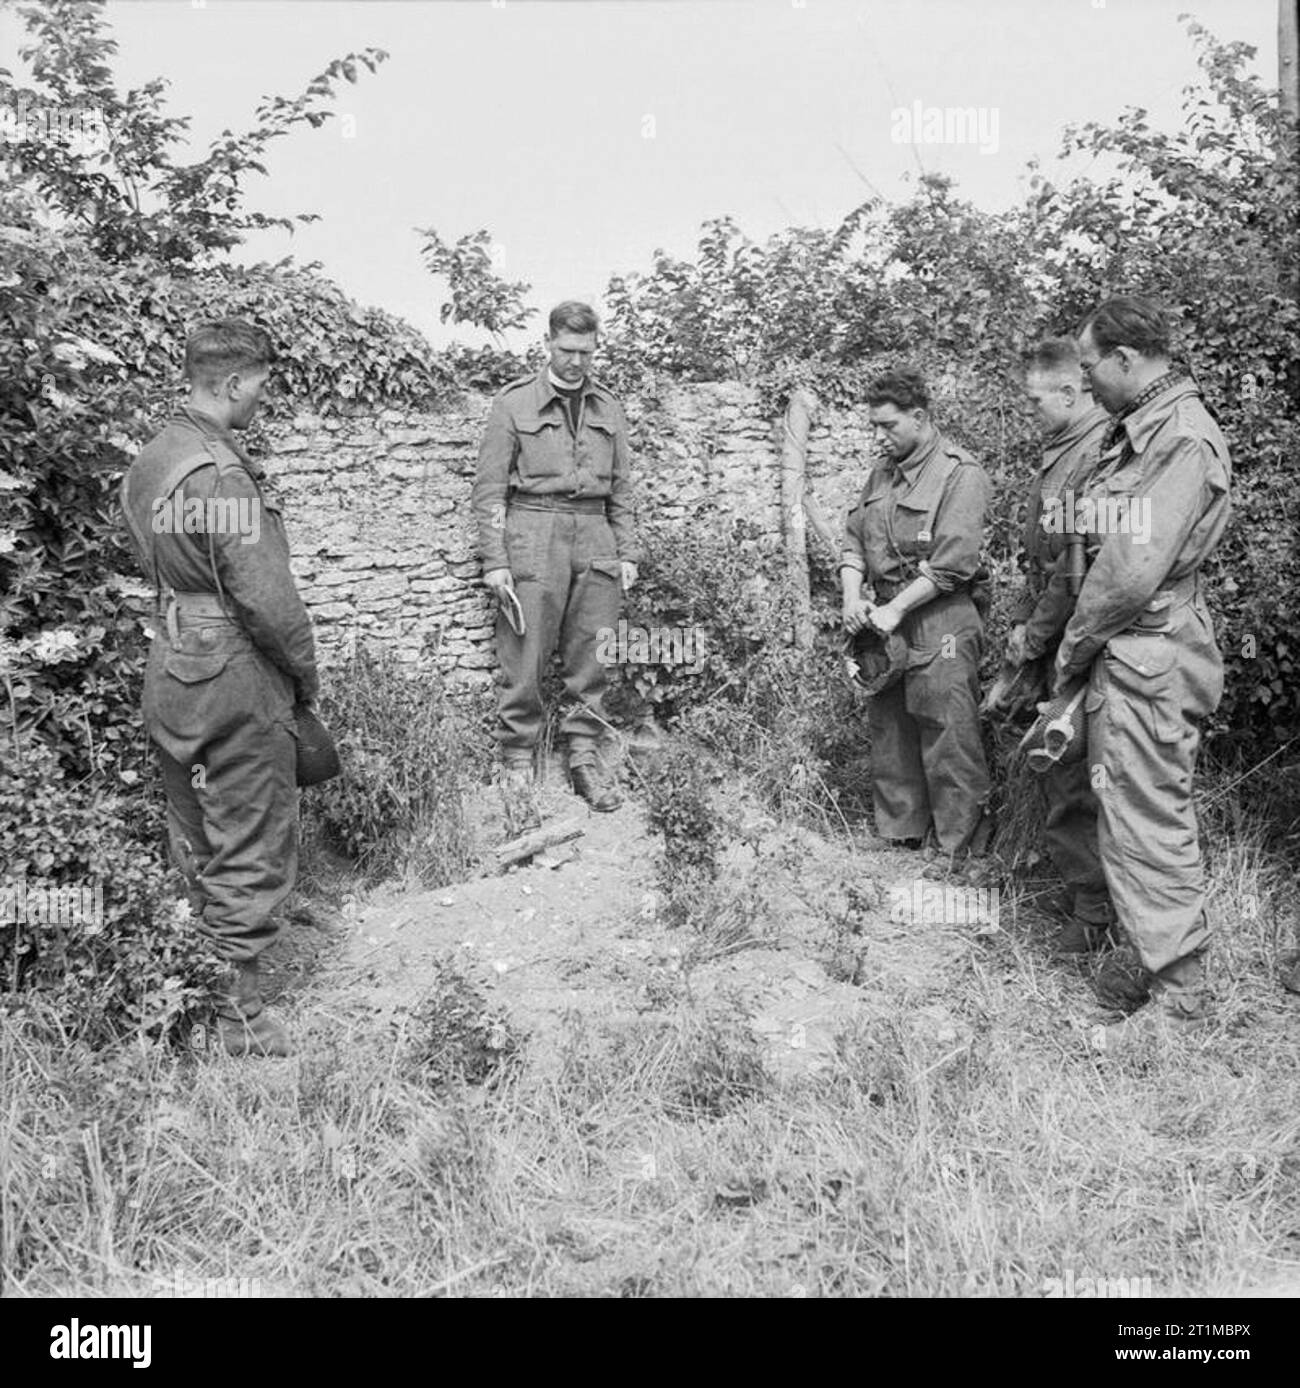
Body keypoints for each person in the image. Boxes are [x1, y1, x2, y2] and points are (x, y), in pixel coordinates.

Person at [119, 320, 319, 1058]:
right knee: (251, 832)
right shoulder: (220, 473)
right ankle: (239, 1019)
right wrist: (302, 673)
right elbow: (267, 596)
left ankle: (194, 988)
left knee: (197, 832)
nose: (263, 397)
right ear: (232, 383)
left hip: (170, 659)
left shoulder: (151, 460)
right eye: (261, 383)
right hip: (233, 669)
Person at [1055, 295, 1231, 1042]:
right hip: (1131, 646)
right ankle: (1157, 960)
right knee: (1127, 813)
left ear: (1127, 359)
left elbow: (1127, 571)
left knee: (1148, 818)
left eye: (1091, 366)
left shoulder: (1179, 439)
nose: (1086, 381)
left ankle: (1181, 996)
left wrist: (1070, 652)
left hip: (1145, 649)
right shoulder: (1141, 431)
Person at [472, 301, 639, 835]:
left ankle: (584, 756)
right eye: (566, 351)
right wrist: (495, 559)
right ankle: (518, 758)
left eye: (585, 352)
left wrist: (628, 551)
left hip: (594, 534)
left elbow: (623, 490)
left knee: (593, 652)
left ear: (596, 348)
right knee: (526, 648)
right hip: (534, 529)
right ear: (547, 343)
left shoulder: (608, 407)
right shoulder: (514, 403)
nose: (575, 362)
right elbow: (490, 489)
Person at [841, 367, 993, 873]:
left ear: (921, 418)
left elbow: (953, 564)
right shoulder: (882, 472)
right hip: (884, 617)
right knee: (890, 725)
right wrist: (851, 598)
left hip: (939, 615)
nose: (879, 438)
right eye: (874, 427)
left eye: (888, 426)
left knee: (946, 727)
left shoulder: (960, 473)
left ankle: (959, 848)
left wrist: (894, 610)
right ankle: (900, 831)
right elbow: (854, 539)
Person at [1004, 338, 1114, 951]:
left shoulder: (1096, 454)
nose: (1030, 412)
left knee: (1074, 773)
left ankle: (1095, 915)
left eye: (1035, 401)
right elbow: (1039, 559)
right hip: (1060, 636)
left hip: (1083, 641)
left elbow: (1073, 574)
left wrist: (1033, 637)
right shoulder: (1063, 451)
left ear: (1071, 393)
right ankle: (1084, 899)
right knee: (1062, 771)